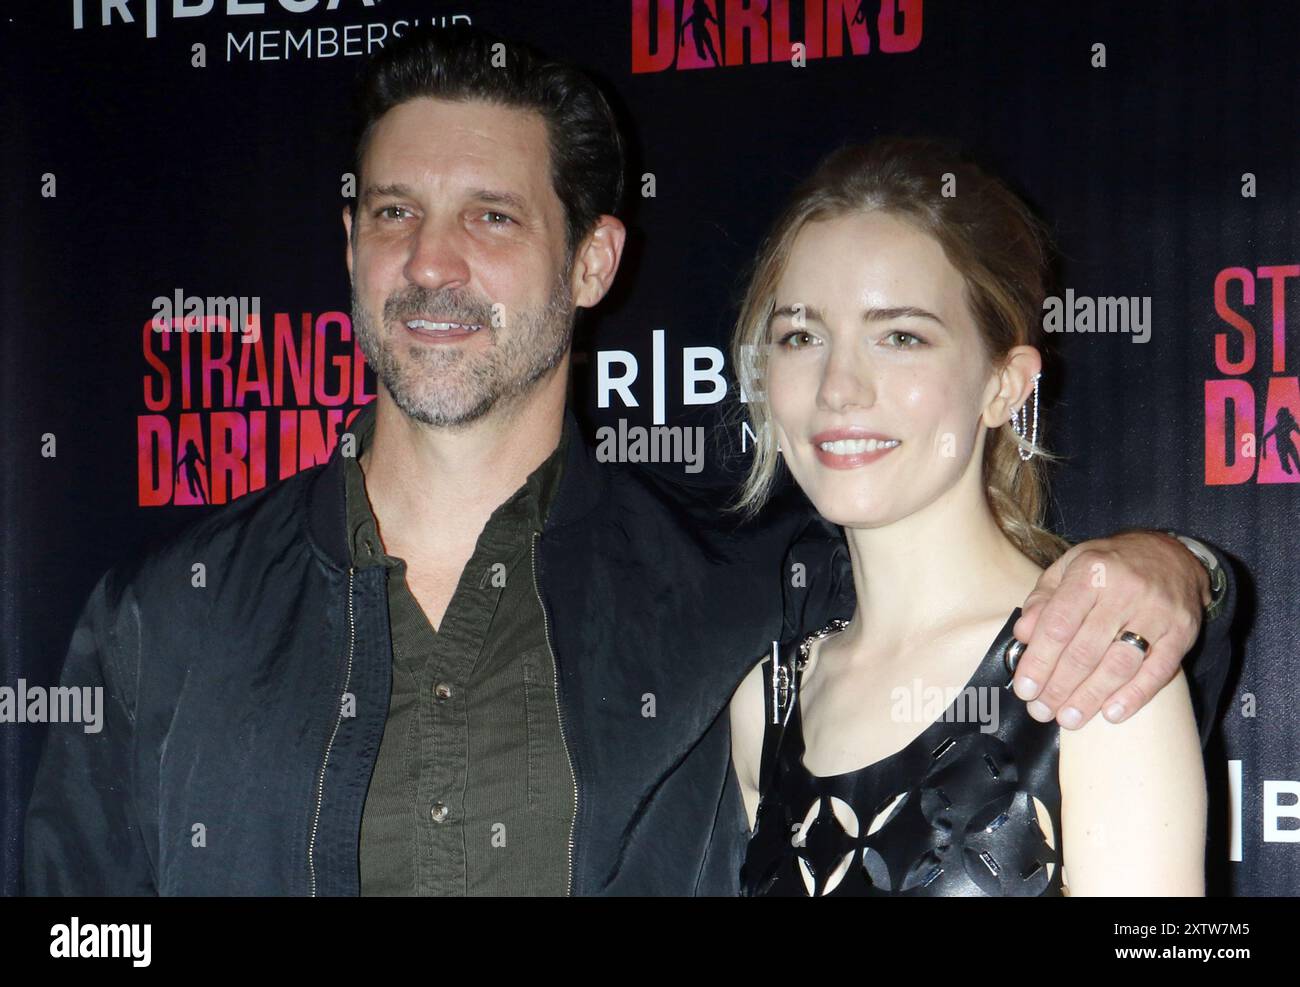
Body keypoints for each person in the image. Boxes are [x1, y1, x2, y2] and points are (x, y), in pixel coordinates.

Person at [23, 26, 1232, 897]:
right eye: (394, 213)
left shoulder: (744, 597)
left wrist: (1178, 569)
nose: (431, 262)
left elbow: (1049, 657)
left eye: (491, 216)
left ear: (593, 264)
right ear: (350, 246)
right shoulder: (163, 618)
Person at [730, 138, 1211, 896]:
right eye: (801, 336)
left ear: (1003, 385)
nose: (839, 386)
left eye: (900, 336)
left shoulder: (1089, 672)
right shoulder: (769, 704)